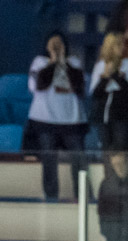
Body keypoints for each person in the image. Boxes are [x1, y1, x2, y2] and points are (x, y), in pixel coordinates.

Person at [26, 31, 88, 202]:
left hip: (72, 119)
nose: (56, 47)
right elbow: (36, 86)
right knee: (49, 160)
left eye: (59, 44)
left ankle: (83, 196)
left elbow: (80, 86)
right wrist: (53, 62)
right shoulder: (39, 62)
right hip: (45, 118)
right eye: (53, 44)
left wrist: (62, 62)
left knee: (79, 159)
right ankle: (51, 197)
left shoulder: (74, 62)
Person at [88, 32, 128, 152]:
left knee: (120, 149)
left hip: (123, 115)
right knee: (106, 150)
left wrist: (117, 75)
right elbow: (95, 93)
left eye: (123, 45)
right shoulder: (100, 66)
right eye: (118, 45)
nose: (122, 48)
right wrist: (105, 78)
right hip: (103, 115)